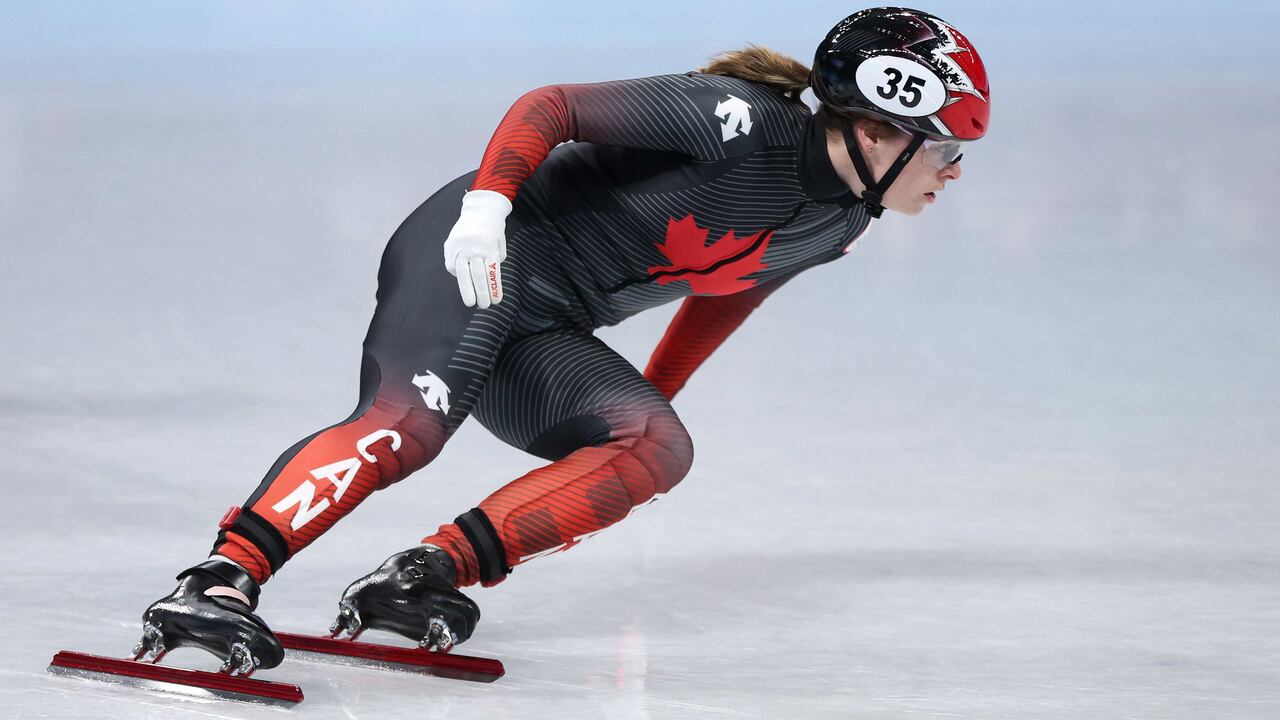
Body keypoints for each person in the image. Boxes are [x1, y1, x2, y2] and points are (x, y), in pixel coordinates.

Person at [136, 7, 990, 674]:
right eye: (946, 148)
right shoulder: (737, 119)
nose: (954, 171)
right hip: (479, 253)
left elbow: (730, 295)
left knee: (656, 446)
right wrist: (488, 205)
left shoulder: (841, 224)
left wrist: (656, 397)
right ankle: (217, 581)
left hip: (551, 321)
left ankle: (420, 576)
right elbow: (555, 106)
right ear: (876, 129)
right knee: (407, 424)